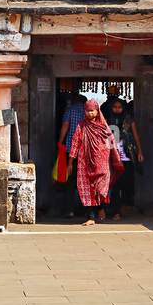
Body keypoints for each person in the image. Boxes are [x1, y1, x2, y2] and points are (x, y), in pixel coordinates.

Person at [70, 98, 117, 225]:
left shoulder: (103, 126)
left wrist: (114, 159)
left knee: (100, 187)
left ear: (97, 111)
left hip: (101, 163)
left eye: (92, 111)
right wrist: (70, 162)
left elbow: (112, 142)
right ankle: (91, 216)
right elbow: (75, 143)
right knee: (86, 189)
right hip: (84, 163)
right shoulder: (81, 126)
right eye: (87, 111)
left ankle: (101, 209)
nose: (90, 113)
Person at [105, 96, 143, 220]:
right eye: (115, 107)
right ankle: (116, 211)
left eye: (119, 107)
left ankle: (125, 206)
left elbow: (136, 136)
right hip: (112, 158)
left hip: (127, 156)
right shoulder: (107, 120)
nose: (117, 109)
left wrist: (140, 152)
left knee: (126, 183)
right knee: (115, 185)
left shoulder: (129, 120)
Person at [57, 86, 87, 218]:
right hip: (86, 151)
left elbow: (65, 126)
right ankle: (84, 208)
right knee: (84, 180)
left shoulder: (70, 110)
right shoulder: (88, 111)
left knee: (70, 181)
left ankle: (70, 210)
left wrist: (60, 142)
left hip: (70, 149)